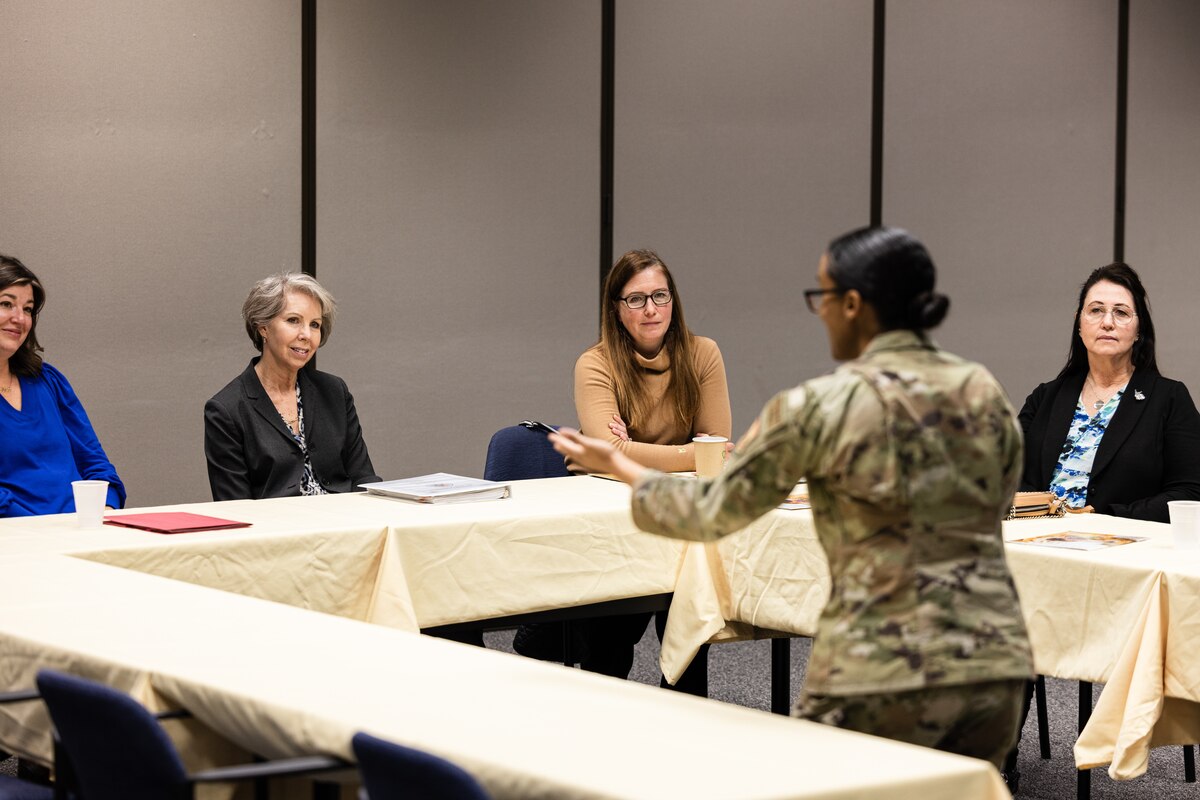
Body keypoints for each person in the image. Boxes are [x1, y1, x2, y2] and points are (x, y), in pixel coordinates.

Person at [551, 228, 1033, 769]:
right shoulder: (984, 390)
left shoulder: (815, 407)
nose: (820, 312)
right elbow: (1004, 500)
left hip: (881, 667)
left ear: (853, 305)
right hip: (992, 663)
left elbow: (709, 513)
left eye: (822, 297)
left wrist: (618, 463)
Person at [520, 249, 731, 694]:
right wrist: (685, 453)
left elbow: (713, 449)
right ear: (616, 310)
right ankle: (605, 717)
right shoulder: (595, 363)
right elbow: (616, 451)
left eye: (660, 295)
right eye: (635, 299)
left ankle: (687, 714)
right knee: (611, 637)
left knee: (689, 610)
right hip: (614, 512)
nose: (651, 309)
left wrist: (629, 451)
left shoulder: (703, 354)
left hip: (677, 510)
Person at [1018, 262, 1200, 522]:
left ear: (1139, 329)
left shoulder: (1169, 399)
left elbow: (1190, 493)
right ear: (1079, 323)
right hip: (1037, 545)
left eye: (1121, 313)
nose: (1107, 323)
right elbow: (1003, 475)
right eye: (1095, 310)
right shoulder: (1045, 398)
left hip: (1124, 550)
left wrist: (1105, 518)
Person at [204, 273, 379, 500]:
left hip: (345, 527)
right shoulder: (226, 409)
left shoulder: (334, 391)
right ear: (263, 327)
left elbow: (363, 478)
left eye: (315, 325)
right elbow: (234, 505)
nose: (306, 335)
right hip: (278, 531)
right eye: (293, 320)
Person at [0, 255, 126, 517]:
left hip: (80, 531)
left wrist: (105, 509)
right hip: (17, 541)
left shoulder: (49, 380)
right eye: (6, 304)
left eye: (27, 309)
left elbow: (95, 464)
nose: (19, 319)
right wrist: (42, 530)